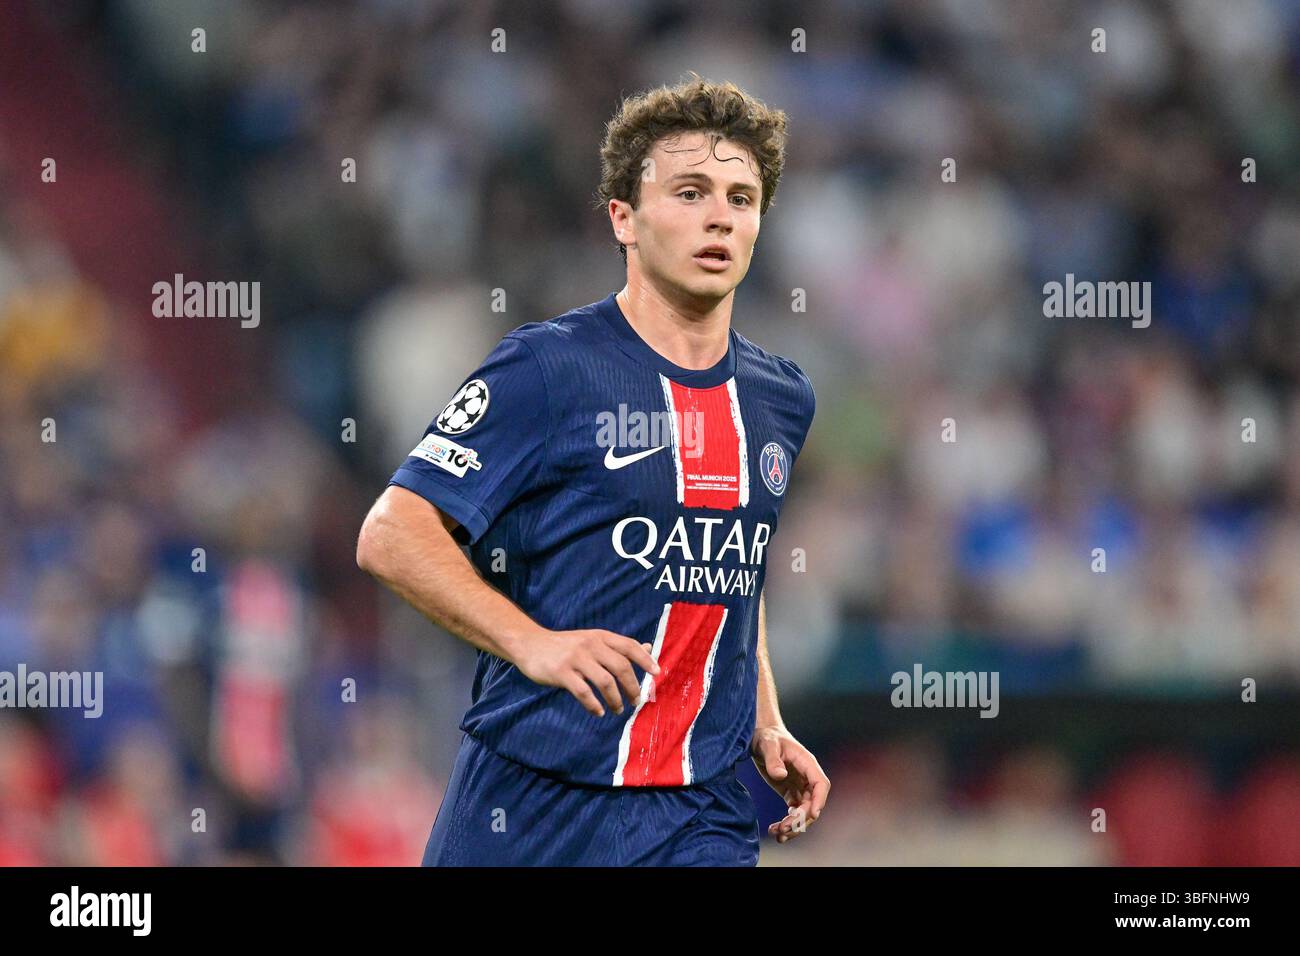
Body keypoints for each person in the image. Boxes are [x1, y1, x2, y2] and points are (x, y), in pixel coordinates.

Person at [357, 74, 829, 866]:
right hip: (531, 800)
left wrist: (763, 720)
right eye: (689, 192)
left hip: (697, 810)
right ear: (624, 219)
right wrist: (534, 643)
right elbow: (392, 533)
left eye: (741, 199)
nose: (719, 215)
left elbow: (732, 573)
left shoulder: (782, 399)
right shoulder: (548, 370)